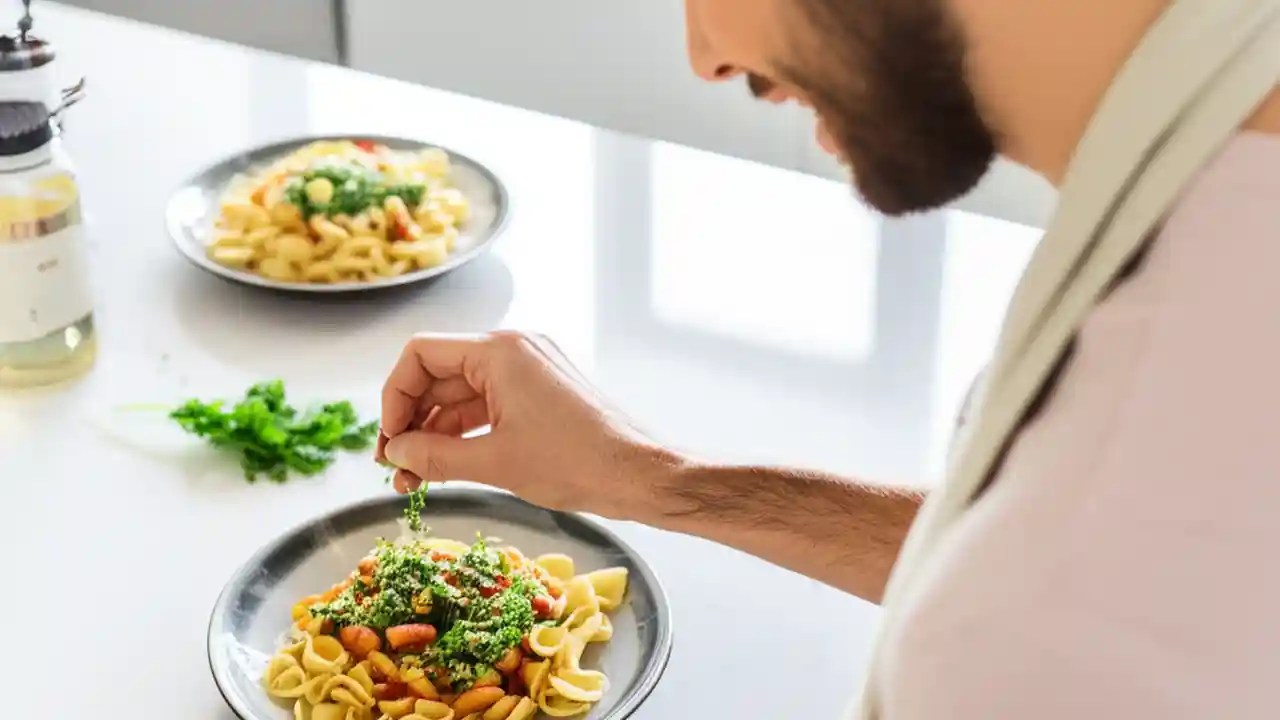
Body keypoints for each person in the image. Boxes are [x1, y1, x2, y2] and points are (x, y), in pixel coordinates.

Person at [376, 0, 1280, 717]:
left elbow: (1041, 594)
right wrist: (656, 480)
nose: (707, 56)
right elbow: (1053, 582)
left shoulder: (1127, 443)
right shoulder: (1224, 154)